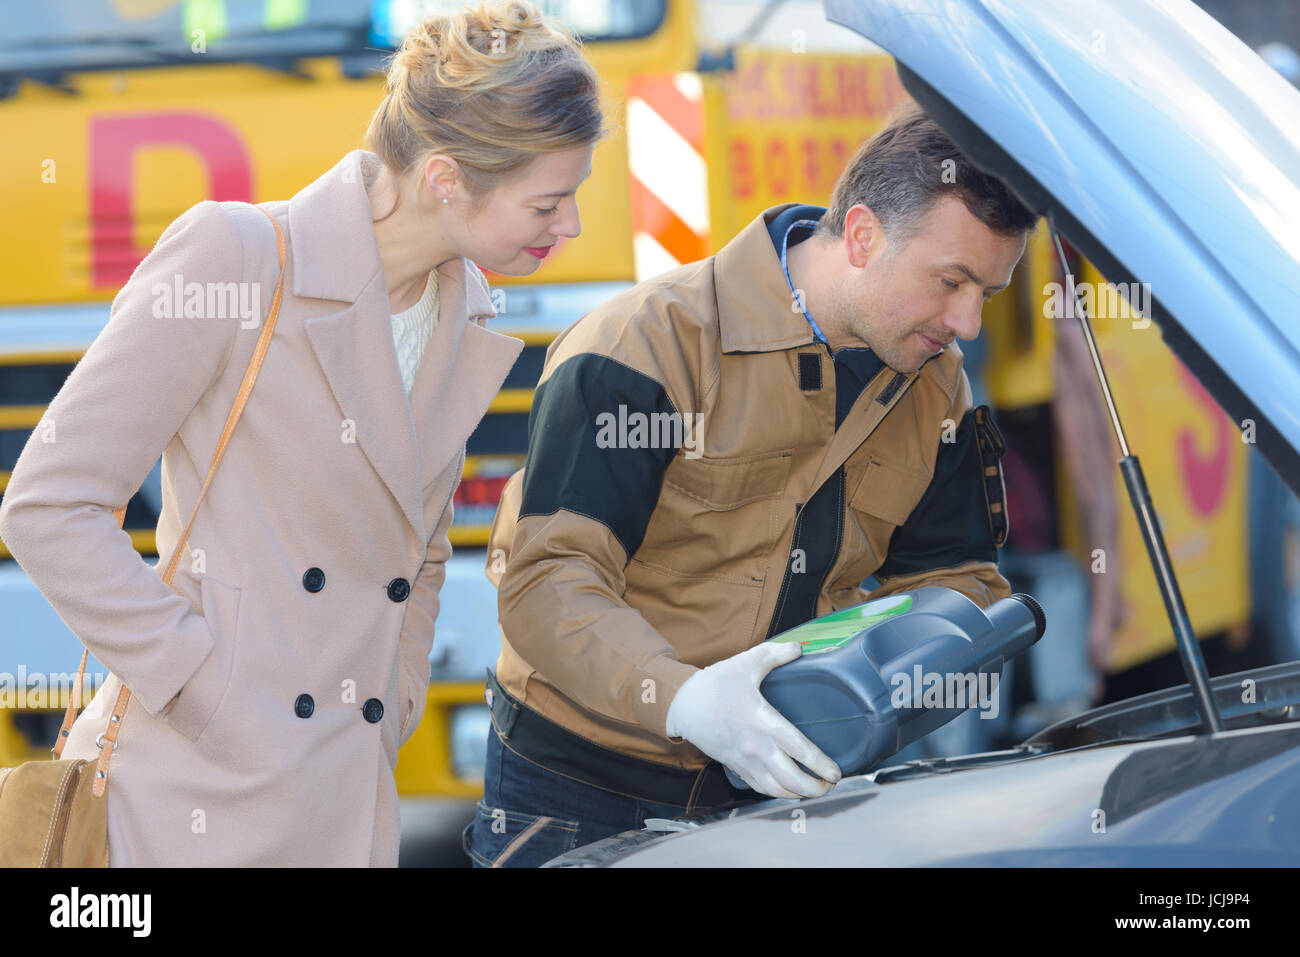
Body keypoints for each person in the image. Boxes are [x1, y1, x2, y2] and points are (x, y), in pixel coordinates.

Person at [0, 0, 602, 867]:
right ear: (444, 179)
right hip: (193, 799)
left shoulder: (459, 309)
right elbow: (47, 501)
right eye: (550, 200)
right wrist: (202, 683)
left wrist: (393, 704)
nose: (571, 226)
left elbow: (420, 552)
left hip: (342, 798)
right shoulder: (235, 258)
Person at [464, 105, 1039, 868]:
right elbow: (547, 581)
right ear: (863, 235)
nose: (966, 322)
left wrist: (870, 685)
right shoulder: (644, 344)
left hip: (786, 799)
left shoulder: (936, 387)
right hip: (578, 798)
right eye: (952, 281)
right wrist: (684, 700)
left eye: (988, 295)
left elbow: (957, 585)